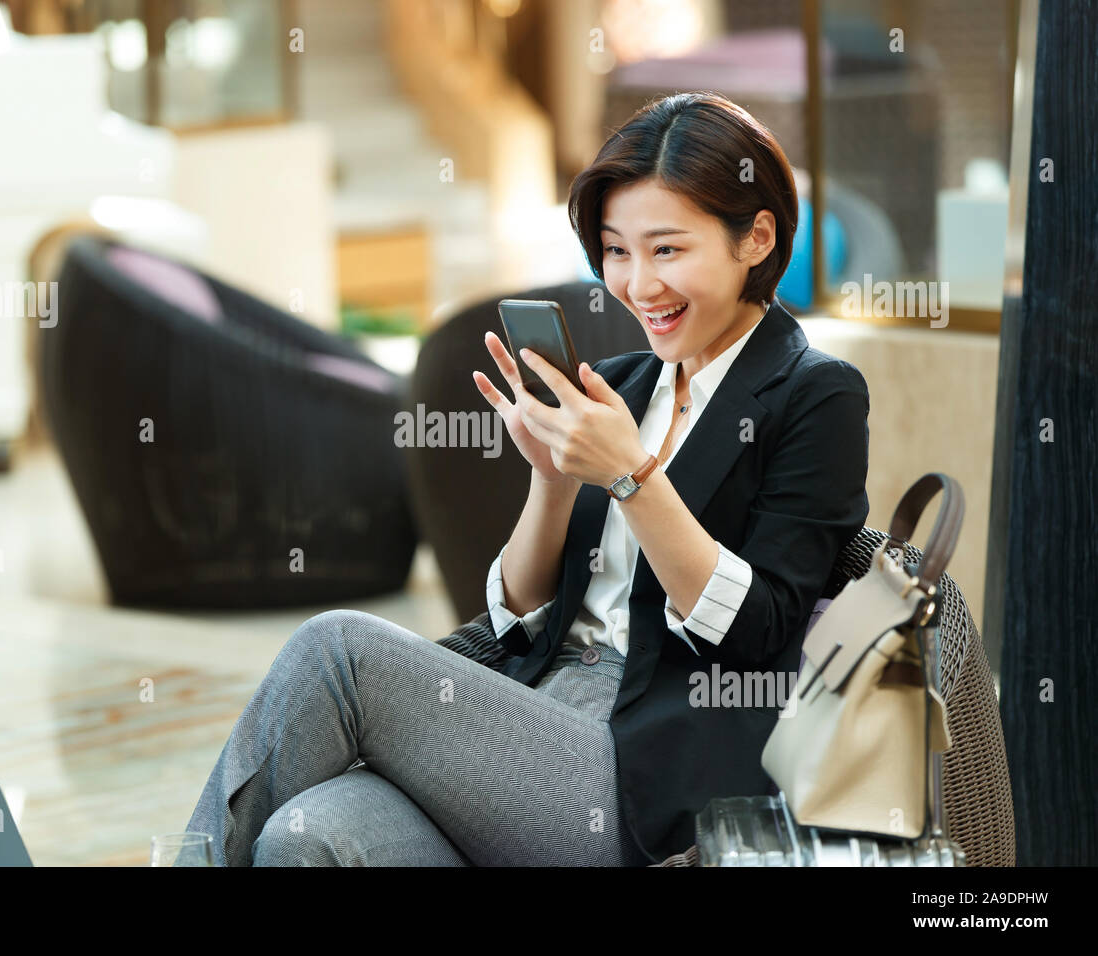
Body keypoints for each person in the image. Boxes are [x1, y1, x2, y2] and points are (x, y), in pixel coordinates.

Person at [185, 91, 869, 866]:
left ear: (757, 237)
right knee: (304, 839)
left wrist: (631, 475)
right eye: (616, 251)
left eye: (668, 250)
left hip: (650, 773)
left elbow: (758, 631)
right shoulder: (621, 385)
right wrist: (551, 480)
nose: (639, 285)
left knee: (336, 650)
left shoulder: (817, 394)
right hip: (530, 721)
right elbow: (515, 622)